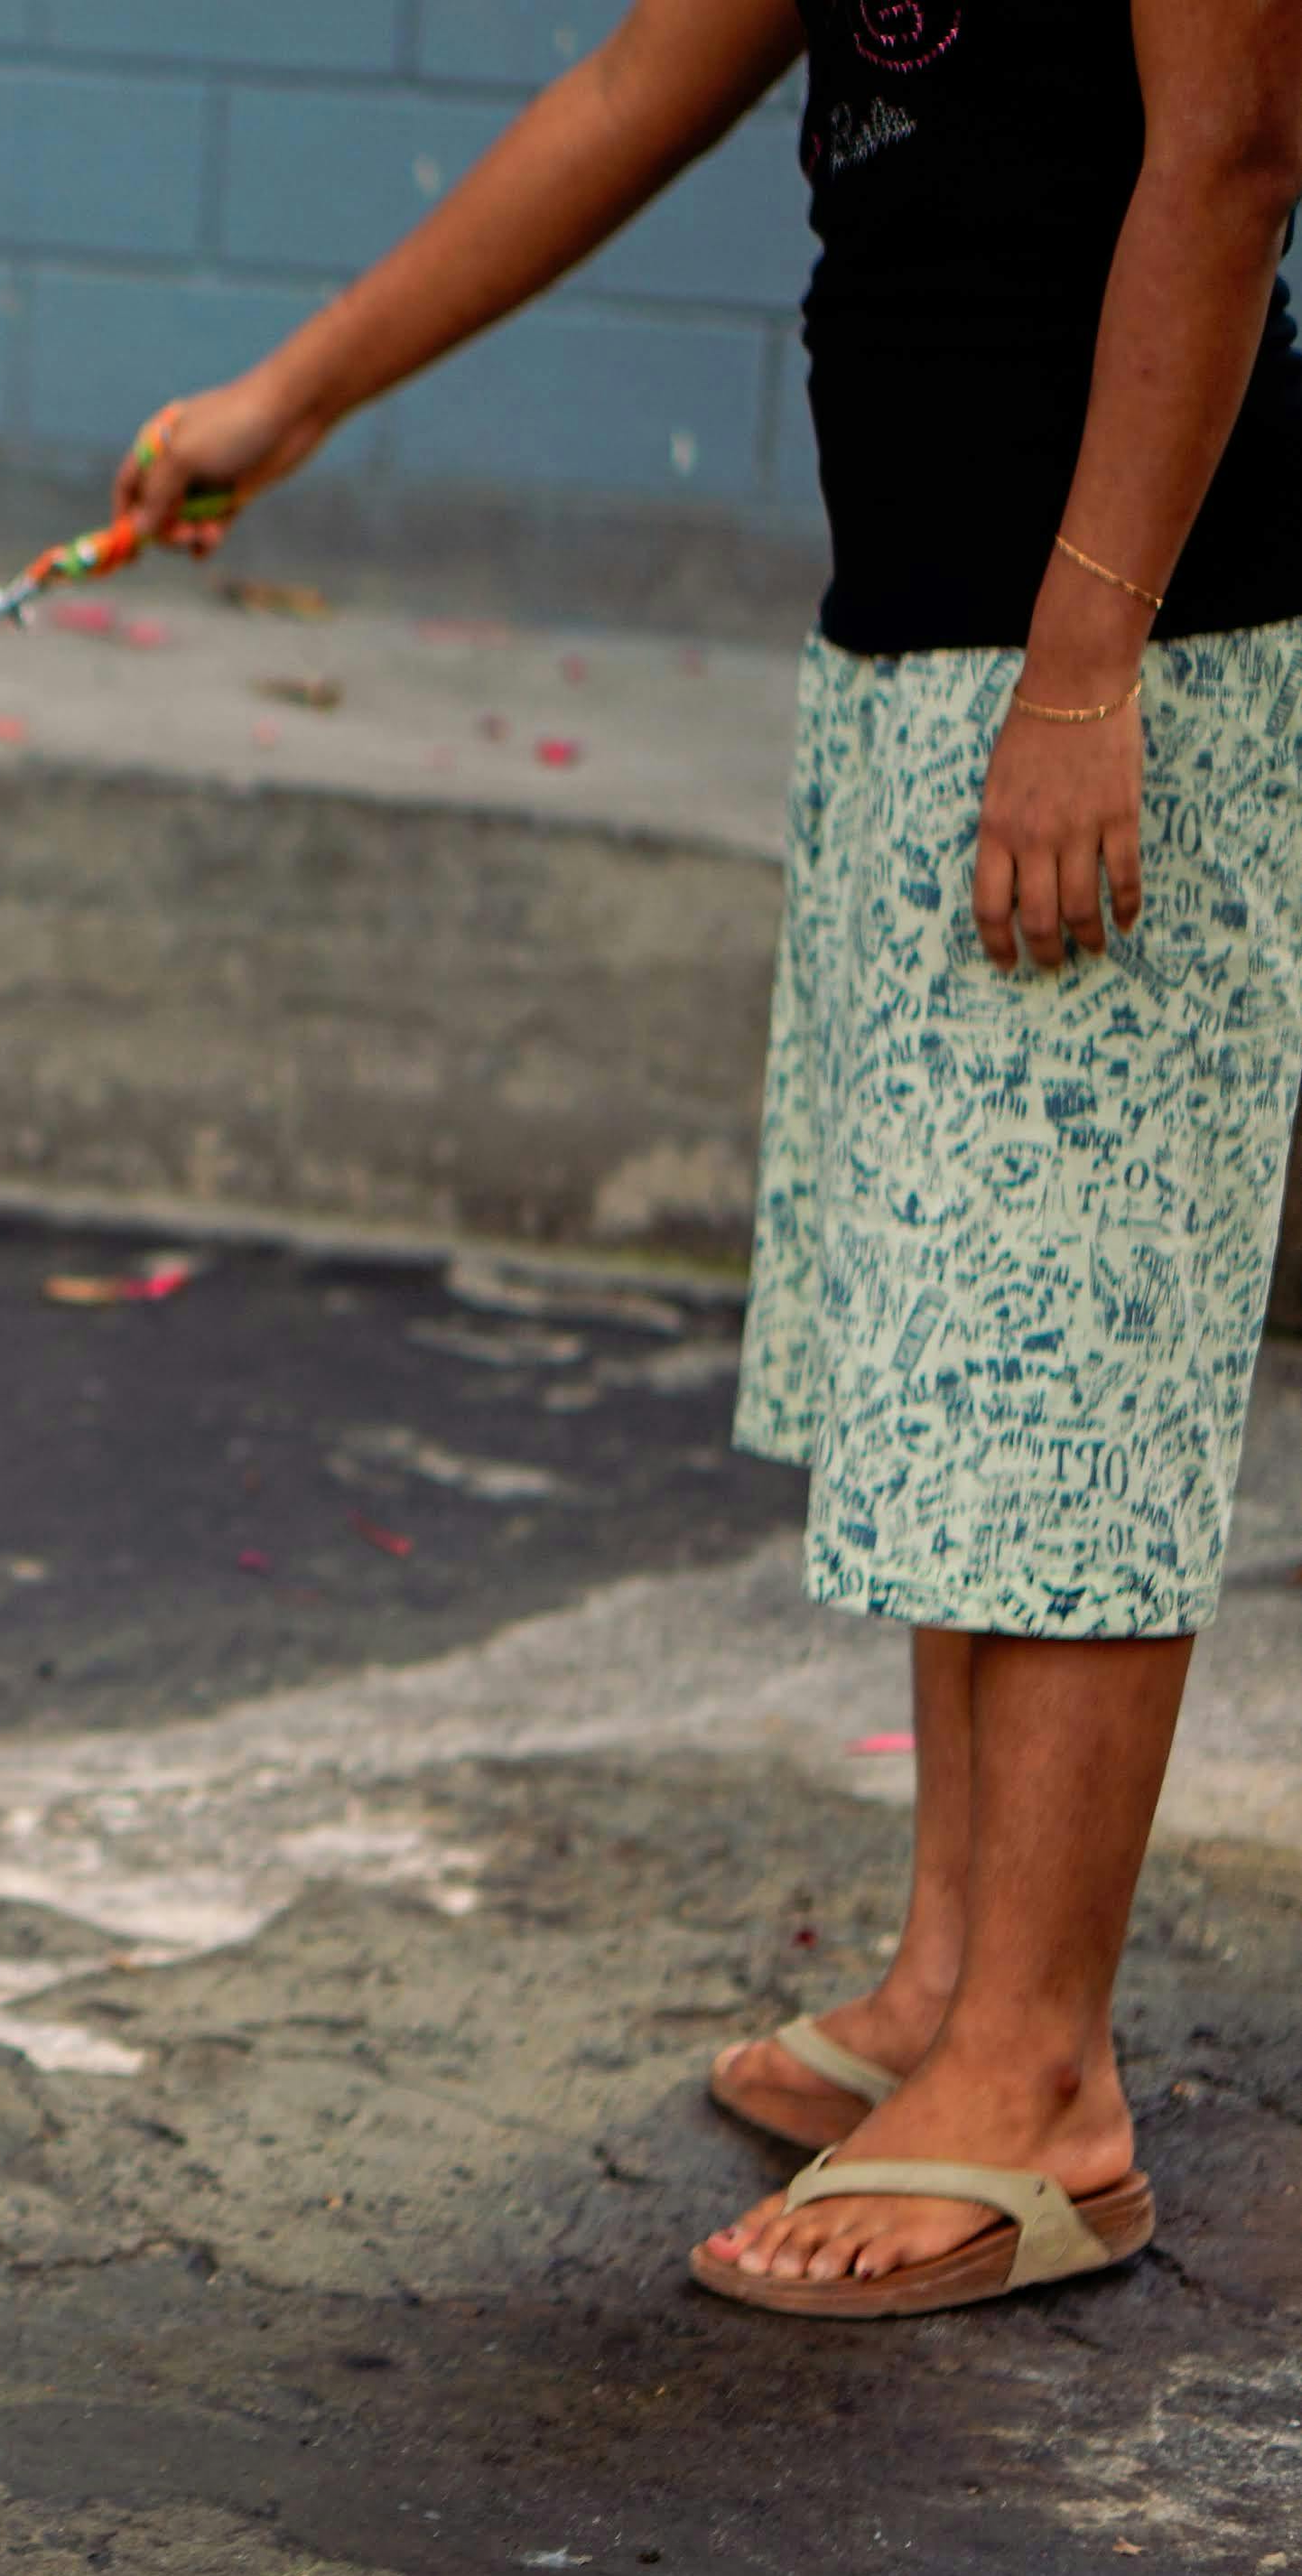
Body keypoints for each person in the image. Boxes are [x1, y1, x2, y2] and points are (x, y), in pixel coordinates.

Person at [115, 0, 1302, 2317]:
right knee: (957, 1324)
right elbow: (632, 83)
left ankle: (1045, 2079)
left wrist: (1080, 677)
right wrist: (303, 391)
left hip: (1130, 653)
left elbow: (1236, 157)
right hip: (919, 639)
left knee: (1069, 1330)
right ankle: (959, 1978)